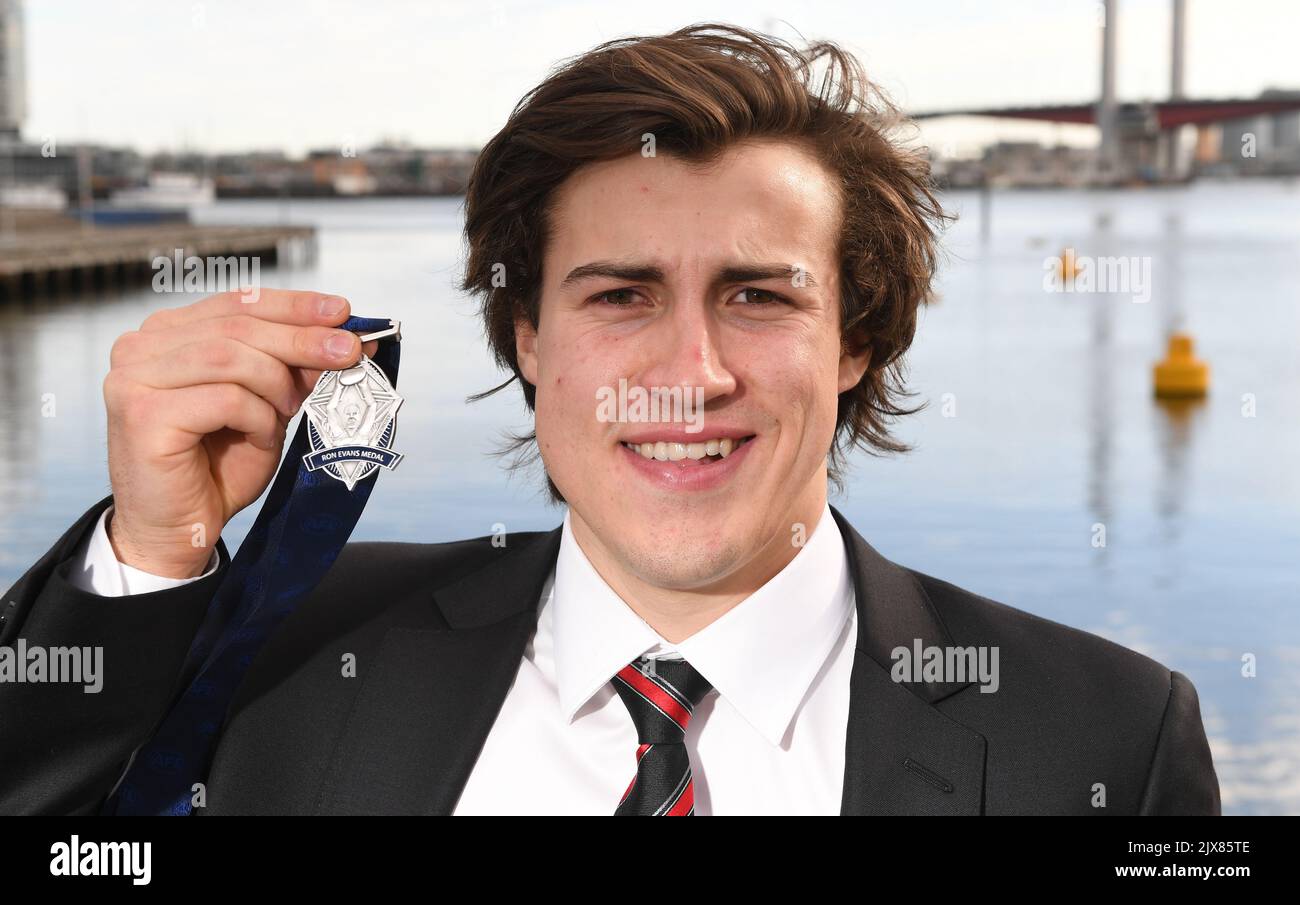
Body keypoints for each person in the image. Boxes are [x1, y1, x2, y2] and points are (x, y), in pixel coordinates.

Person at [0, 23, 1219, 815]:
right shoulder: (281, 644)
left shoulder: (1108, 736)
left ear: (855, 338)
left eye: (755, 295)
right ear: (528, 335)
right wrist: (153, 561)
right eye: (620, 295)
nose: (687, 371)